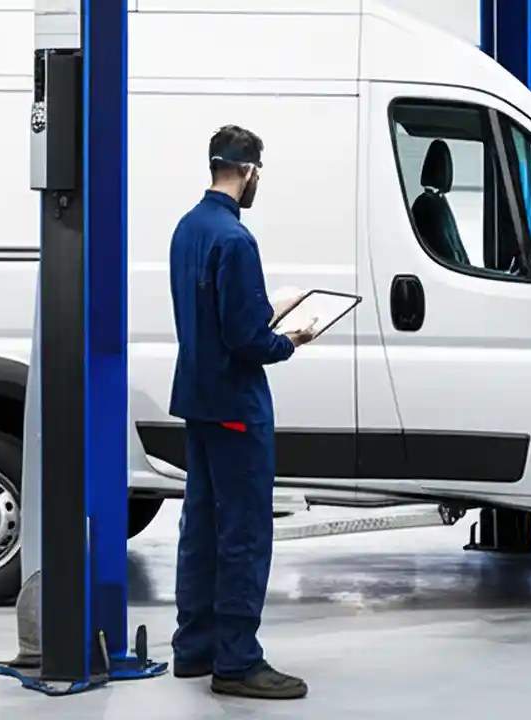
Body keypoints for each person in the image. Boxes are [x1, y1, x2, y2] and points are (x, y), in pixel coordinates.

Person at [167, 125, 316, 700]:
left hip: (198, 400)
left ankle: (194, 648)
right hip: (235, 403)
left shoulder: (188, 228)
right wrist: (292, 338)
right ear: (249, 171)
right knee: (244, 533)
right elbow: (247, 338)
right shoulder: (236, 240)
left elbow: (208, 316)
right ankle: (237, 661)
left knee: (200, 526)